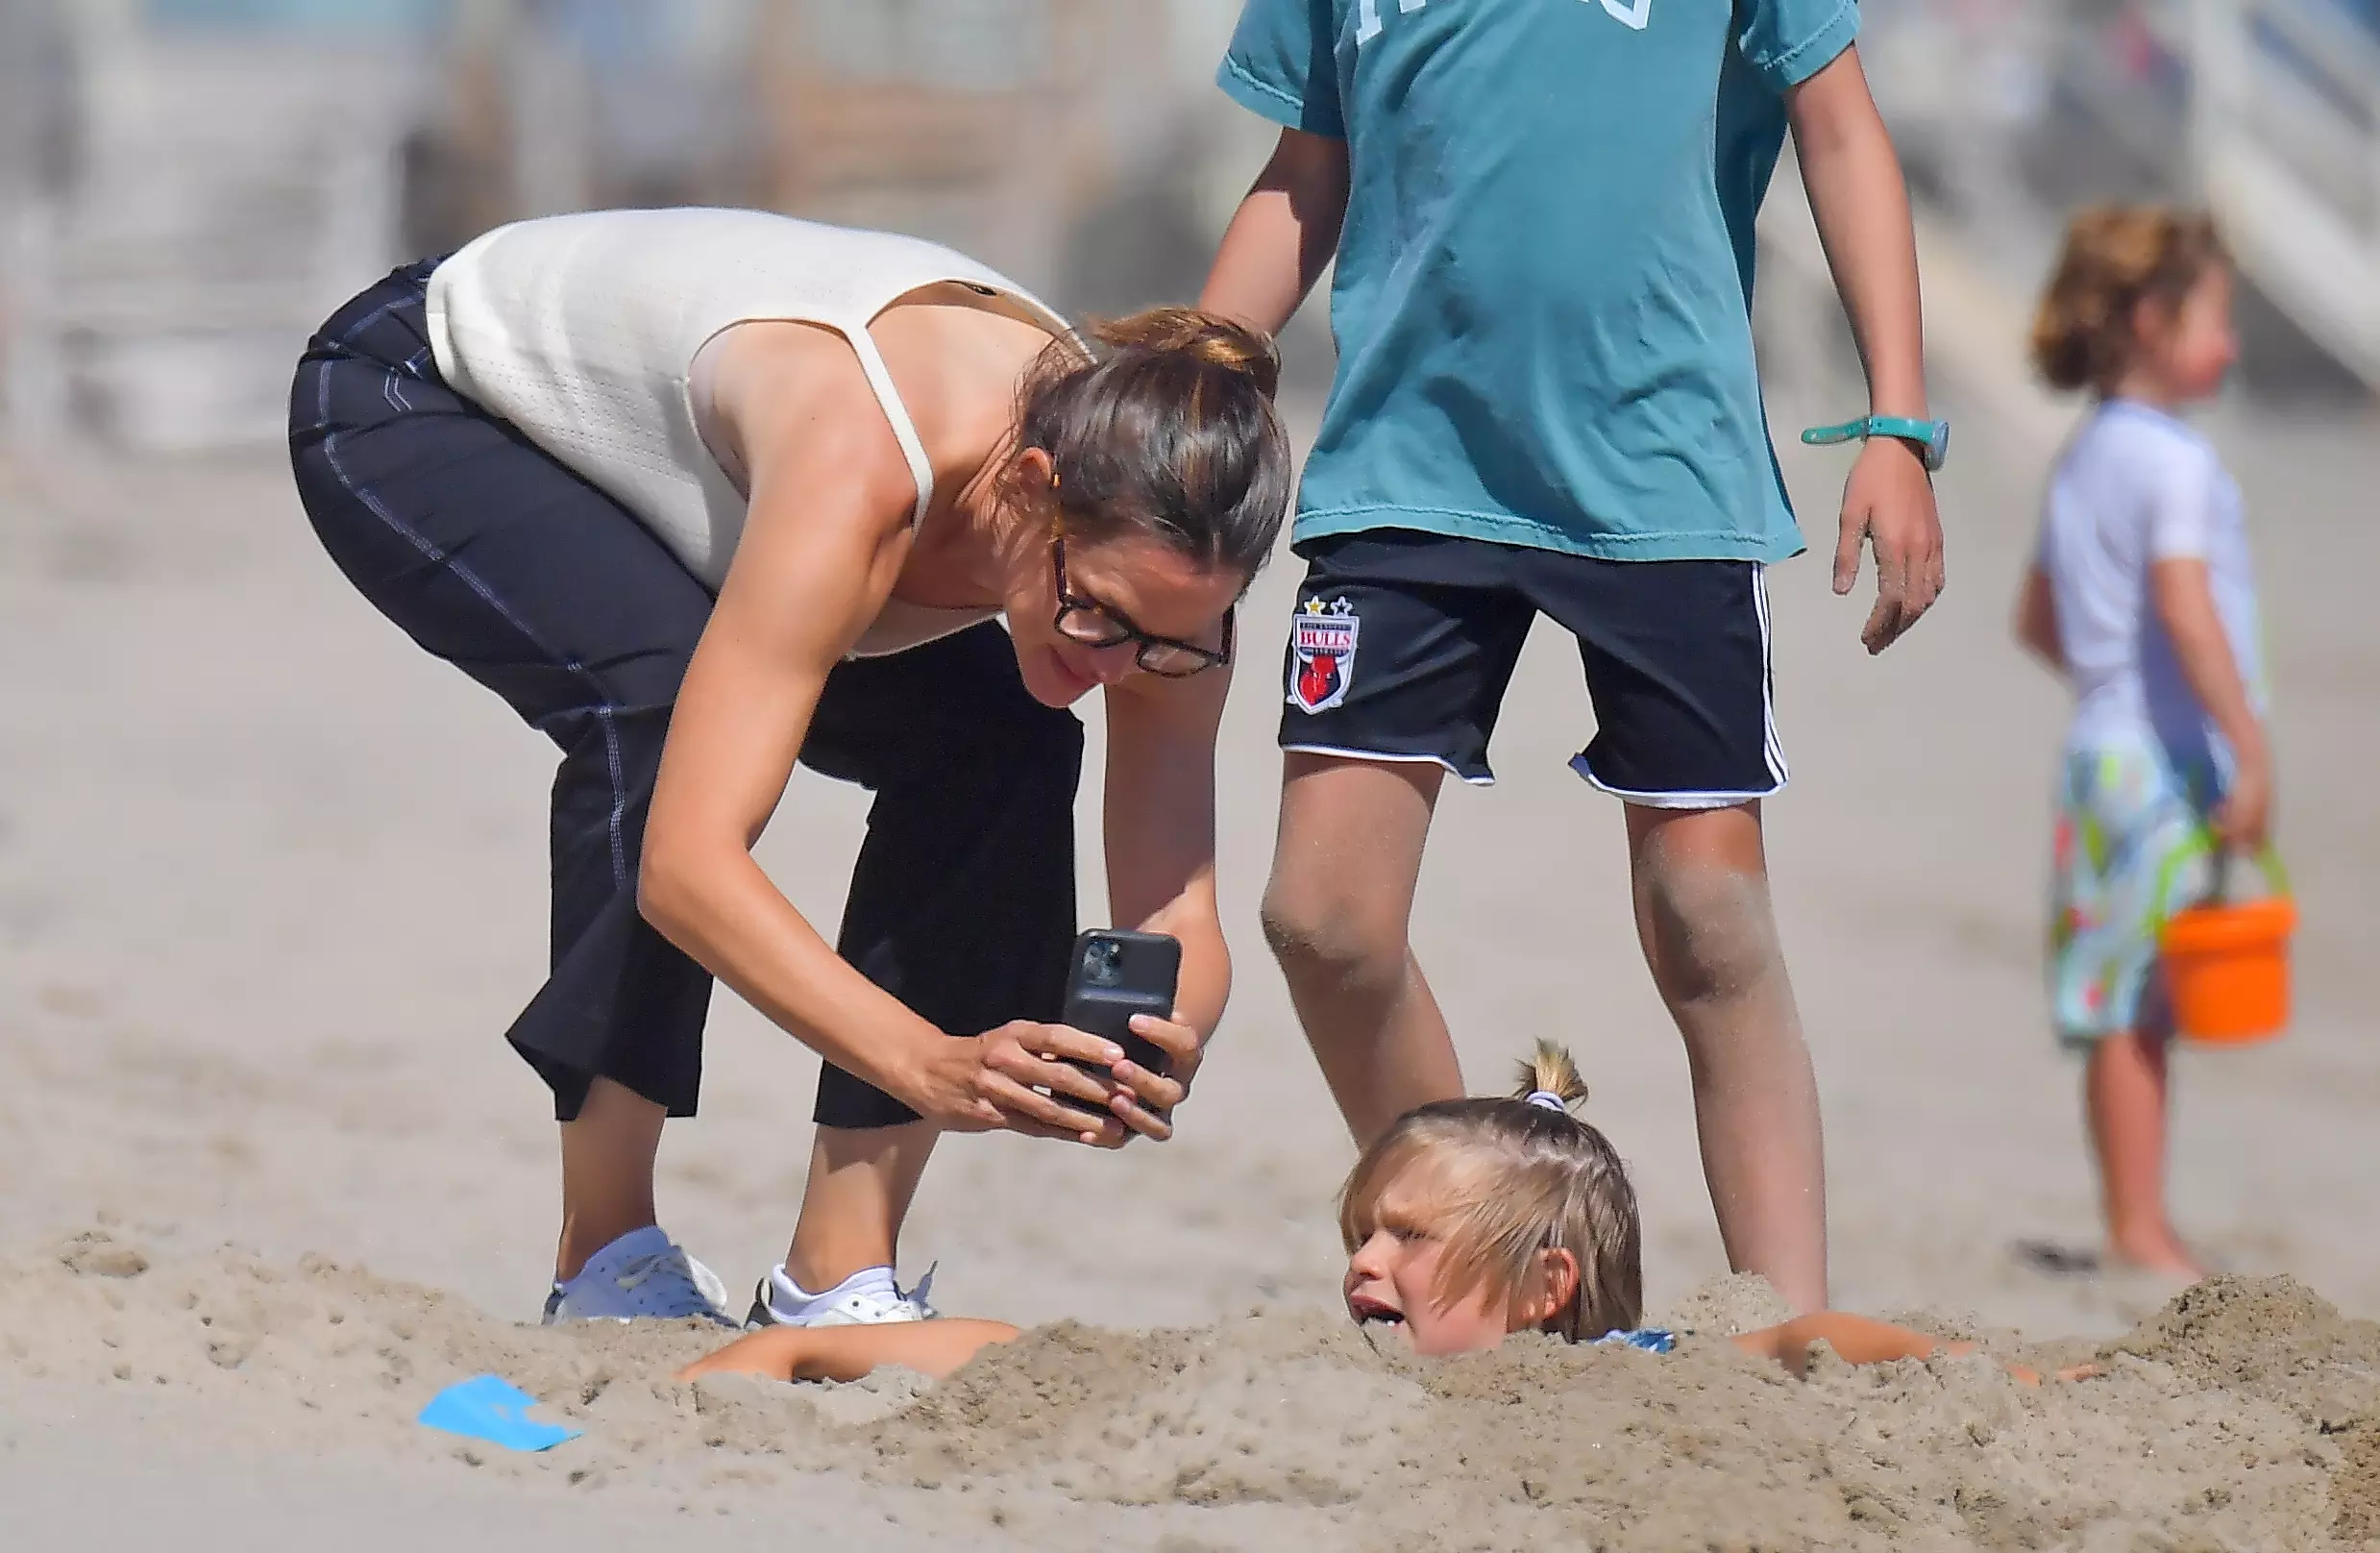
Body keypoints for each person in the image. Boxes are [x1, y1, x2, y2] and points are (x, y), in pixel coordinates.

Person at [287, 209, 1292, 1327]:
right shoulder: (862, 461)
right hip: (423, 393)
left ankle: (835, 1271)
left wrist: (1159, 1046)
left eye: (1164, 644)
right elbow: (685, 865)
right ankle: (606, 1255)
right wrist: (925, 1059)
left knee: (1008, 731)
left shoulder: (1164, 581)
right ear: (1031, 487)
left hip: (714, 487)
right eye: (1097, 616)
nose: (1120, 666)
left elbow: (1177, 904)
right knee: (660, 711)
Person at [1184, 0, 1949, 1315]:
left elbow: (1839, 127)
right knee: (1323, 920)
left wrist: (1895, 422)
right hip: (1403, 474)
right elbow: (1307, 168)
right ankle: (1479, 1262)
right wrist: (1187, 383)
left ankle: (1790, 1331)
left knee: (1706, 920)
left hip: (1662, 468)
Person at [682, 1044, 2083, 1383]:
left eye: (1409, 1240)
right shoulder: (1301, 1381)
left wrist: (2009, 1376)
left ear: (1544, 1290)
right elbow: (1039, 1362)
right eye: (1364, 1230)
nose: (1364, 1260)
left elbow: (1798, 1339)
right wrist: (805, 1350)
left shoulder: (1626, 1380)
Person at [2013, 208, 2266, 1281]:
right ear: (2154, 321)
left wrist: (2108, 689)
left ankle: (2138, 1217)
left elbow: (2036, 616)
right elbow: (2184, 602)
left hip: (2099, 751)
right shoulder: (2171, 462)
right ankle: (2136, 1228)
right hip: (2158, 759)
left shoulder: (2083, 456)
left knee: (2125, 993)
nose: (2232, 343)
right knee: (2133, 1003)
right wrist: (2246, 746)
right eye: (2217, 317)